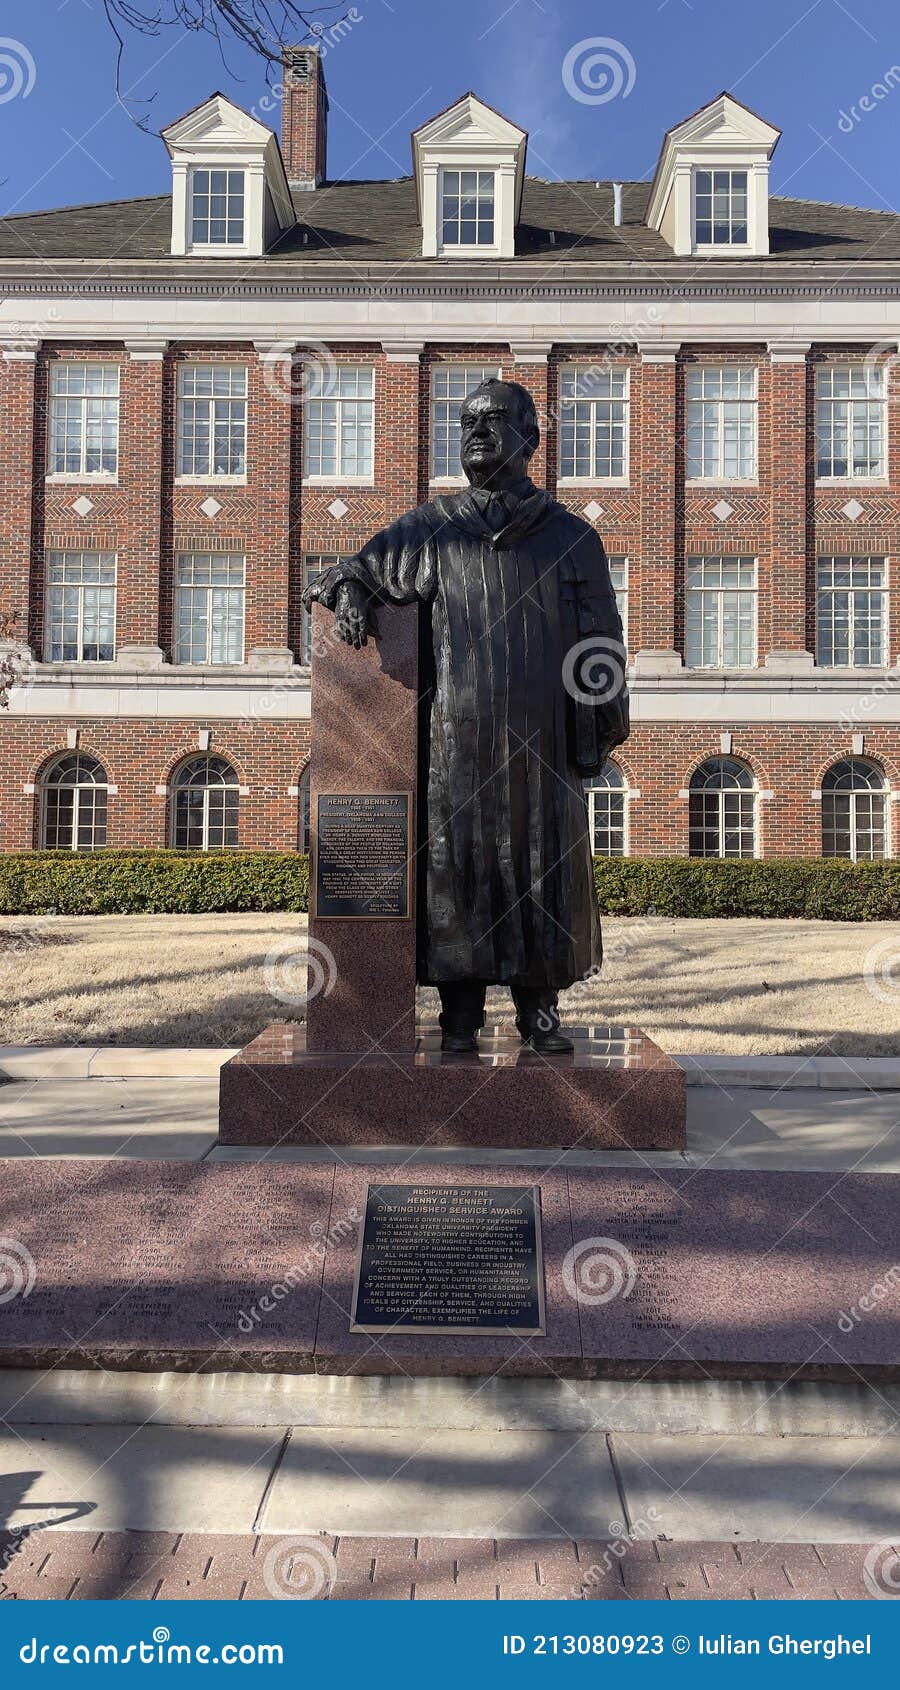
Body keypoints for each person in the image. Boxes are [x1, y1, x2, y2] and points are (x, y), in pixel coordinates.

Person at [303, 377, 629, 1053]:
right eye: (467, 422)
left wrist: (599, 727)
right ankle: (460, 1016)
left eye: (495, 421)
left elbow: (602, 642)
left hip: (542, 745)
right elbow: (348, 570)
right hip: (454, 740)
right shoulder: (432, 527)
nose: (477, 433)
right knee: (460, 869)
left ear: (532, 440)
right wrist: (355, 595)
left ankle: (540, 1012)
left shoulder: (571, 538)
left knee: (542, 871)